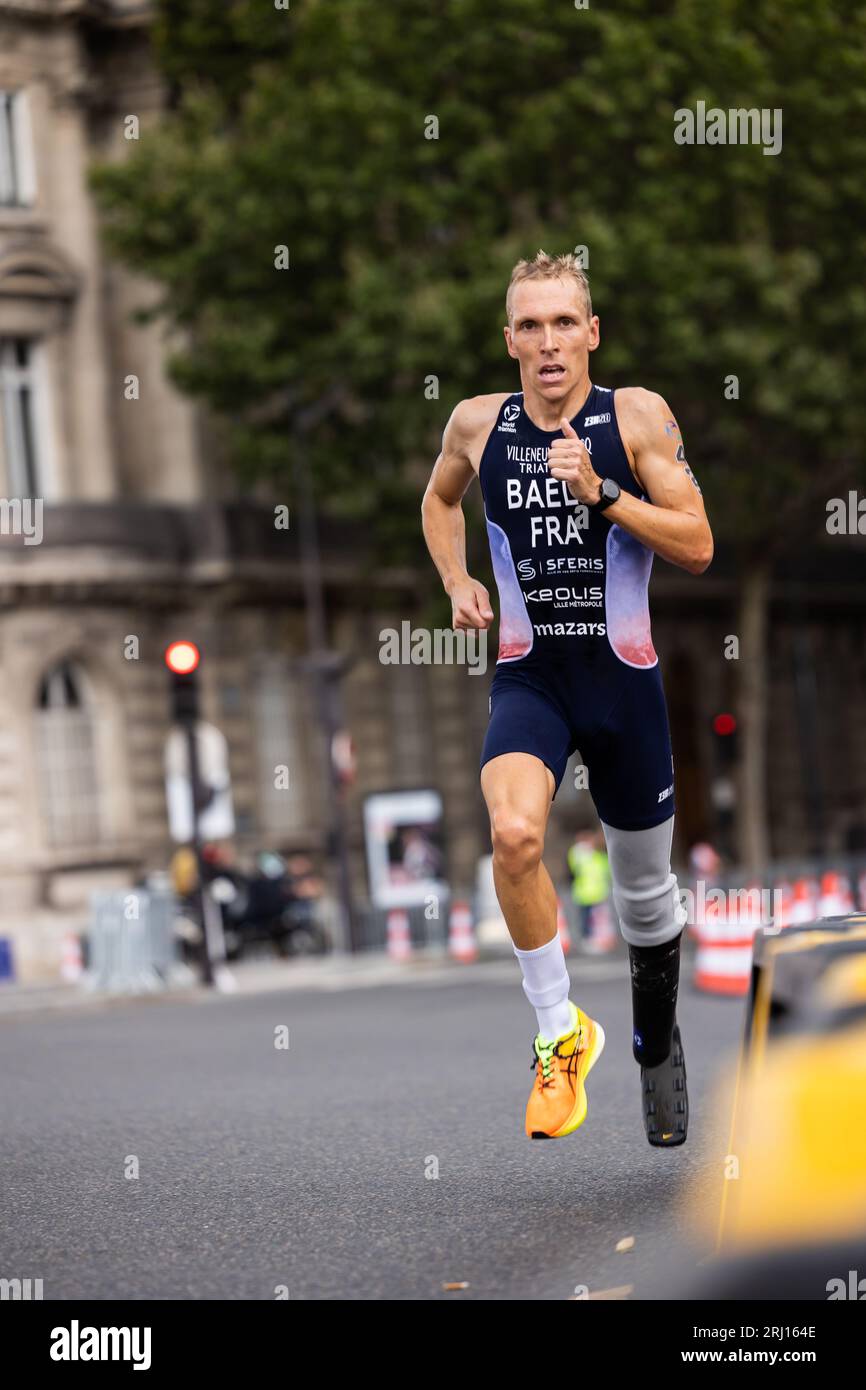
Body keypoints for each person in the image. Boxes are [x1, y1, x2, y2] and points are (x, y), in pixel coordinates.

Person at [421, 250, 713, 1146]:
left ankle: (654, 1043)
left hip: (623, 683)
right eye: (530, 325)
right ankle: (557, 1031)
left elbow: (699, 545)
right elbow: (439, 501)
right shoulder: (477, 424)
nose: (548, 343)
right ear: (508, 339)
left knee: (645, 902)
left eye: (564, 324)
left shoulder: (636, 416)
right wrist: (457, 578)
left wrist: (605, 492)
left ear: (593, 333)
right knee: (512, 835)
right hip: (532, 676)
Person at [567, 829, 611, 949]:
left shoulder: (597, 855)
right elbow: (575, 863)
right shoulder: (579, 854)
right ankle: (587, 941)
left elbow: (606, 869)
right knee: (585, 919)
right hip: (585, 894)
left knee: (598, 920)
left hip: (598, 893)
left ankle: (598, 940)